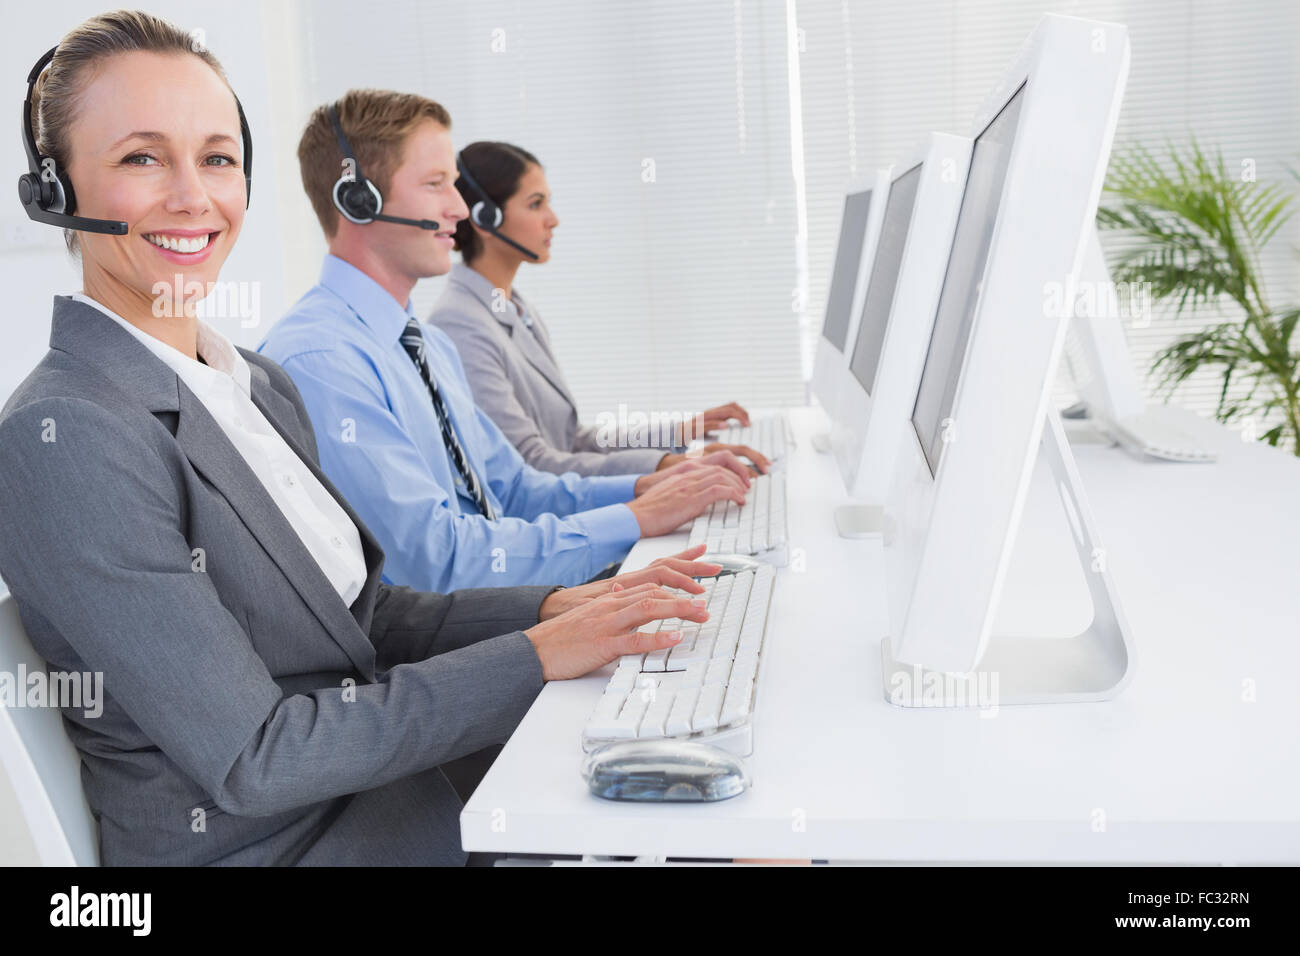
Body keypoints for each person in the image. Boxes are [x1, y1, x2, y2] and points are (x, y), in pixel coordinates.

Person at [0, 9, 722, 867]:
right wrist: (534, 657)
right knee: (708, 827)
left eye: (218, 158)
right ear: (54, 193)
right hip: (294, 844)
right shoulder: (68, 435)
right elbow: (256, 757)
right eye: (141, 157)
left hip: (381, 789)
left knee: (713, 767)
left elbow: (364, 618)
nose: (194, 195)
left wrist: (555, 610)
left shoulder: (253, 383)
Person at [258, 90, 752, 594]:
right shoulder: (322, 363)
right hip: (454, 644)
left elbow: (515, 487)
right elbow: (439, 561)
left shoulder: (427, 346)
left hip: (505, 605)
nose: (458, 208)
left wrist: (648, 489)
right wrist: (634, 519)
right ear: (357, 201)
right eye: (435, 185)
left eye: (455, 185)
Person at [431, 140, 770, 477]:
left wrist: (678, 434)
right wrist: (671, 465)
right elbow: (532, 464)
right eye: (536, 204)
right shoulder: (461, 324)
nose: (554, 219)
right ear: (484, 219)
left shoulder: (516, 309)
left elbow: (570, 441)